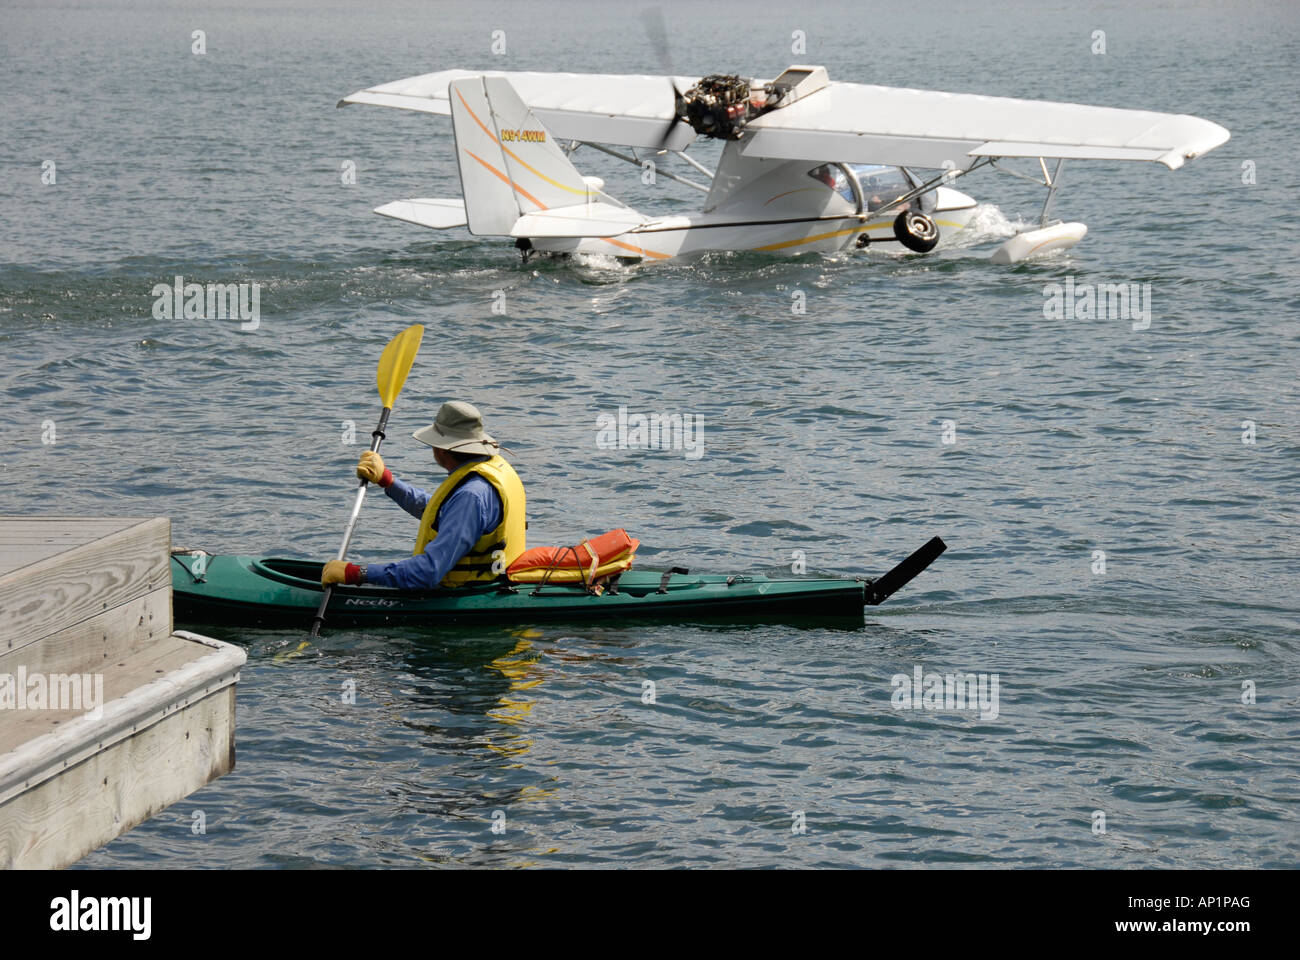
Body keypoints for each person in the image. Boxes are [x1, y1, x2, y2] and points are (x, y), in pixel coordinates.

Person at [320, 401, 526, 589]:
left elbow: (427, 572)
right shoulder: (493, 469)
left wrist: (358, 573)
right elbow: (444, 513)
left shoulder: (470, 496)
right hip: (500, 581)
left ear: (442, 450)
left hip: (470, 592)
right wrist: (388, 481)